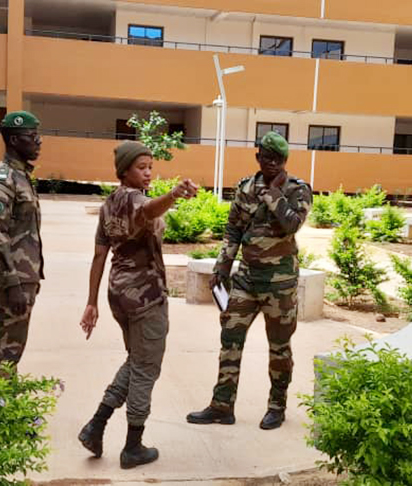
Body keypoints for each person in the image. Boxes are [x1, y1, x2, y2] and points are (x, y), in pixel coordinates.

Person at [77, 141, 198, 469]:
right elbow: (147, 210)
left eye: (150, 167)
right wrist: (173, 195)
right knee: (146, 368)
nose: (147, 172)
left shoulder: (109, 203)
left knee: (136, 361)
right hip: (145, 298)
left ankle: (96, 425)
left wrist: (92, 302)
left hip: (118, 295)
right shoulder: (135, 201)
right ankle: (133, 446)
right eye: (141, 167)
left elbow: (100, 254)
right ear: (125, 171)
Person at [186, 131, 312, 430]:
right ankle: (222, 406)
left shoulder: (298, 190)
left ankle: (276, 406)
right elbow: (233, 230)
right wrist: (222, 265)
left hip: (280, 285)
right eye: (266, 158)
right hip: (246, 281)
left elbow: (291, 224)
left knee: (279, 347)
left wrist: (272, 193)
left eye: (278, 160)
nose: (272, 164)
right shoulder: (245, 188)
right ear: (257, 157)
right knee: (230, 338)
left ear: (285, 161)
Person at [0, 110, 44, 378]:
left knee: (13, 348)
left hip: (24, 274)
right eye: (32, 136)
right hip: (14, 278)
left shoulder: (21, 176)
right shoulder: (3, 179)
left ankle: (5, 408)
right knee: (5, 350)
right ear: (15, 141)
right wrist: (13, 284)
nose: (39, 141)